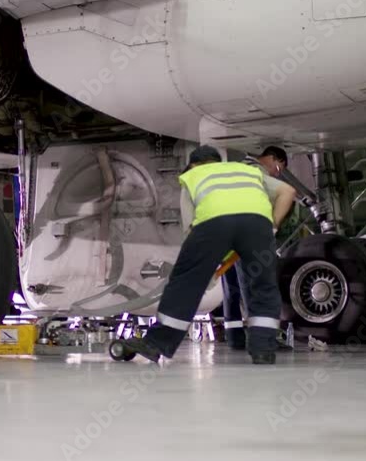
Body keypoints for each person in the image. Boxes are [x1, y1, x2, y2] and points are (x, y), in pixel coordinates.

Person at [114, 145, 290, 364]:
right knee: (264, 287)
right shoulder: (247, 170)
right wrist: (271, 227)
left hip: (213, 226)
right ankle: (264, 350)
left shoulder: (193, 175)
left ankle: (157, 343)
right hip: (258, 225)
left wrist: (203, 269)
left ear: (196, 164)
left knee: (185, 284)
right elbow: (287, 192)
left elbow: (191, 228)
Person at [223, 146, 296, 350]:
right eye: (278, 168)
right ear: (272, 158)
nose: (276, 173)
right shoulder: (257, 173)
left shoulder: (236, 167)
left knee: (231, 288)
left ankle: (235, 337)